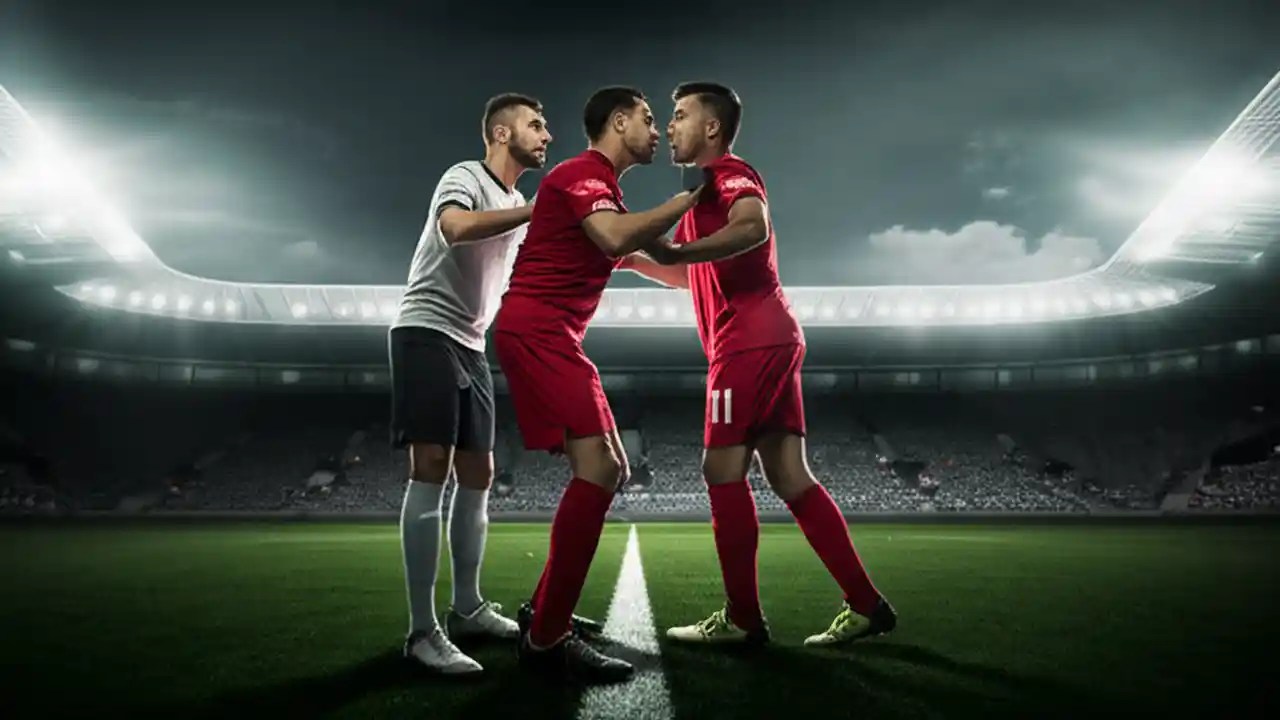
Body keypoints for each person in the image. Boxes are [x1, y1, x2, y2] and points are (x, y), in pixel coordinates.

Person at [628, 81, 897, 647]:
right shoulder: (703, 195)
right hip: (769, 336)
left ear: (712, 129)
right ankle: (867, 604)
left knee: (721, 471)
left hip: (746, 342)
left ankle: (744, 620)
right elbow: (691, 270)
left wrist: (670, 248)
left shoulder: (730, 172)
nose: (669, 126)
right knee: (789, 475)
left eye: (678, 115)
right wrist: (638, 260)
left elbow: (754, 228)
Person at [493, 85, 702, 683]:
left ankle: (544, 615)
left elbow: (653, 256)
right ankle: (546, 638)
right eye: (647, 119)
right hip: (539, 331)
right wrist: (689, 197)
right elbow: (617, 239)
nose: (659, 131)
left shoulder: (604, 193)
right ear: (617, 121)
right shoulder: (580, 174)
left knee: (609, 468)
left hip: (551, 336)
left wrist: (721, 275)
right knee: (603, 469)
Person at [389, 92, 551, 675]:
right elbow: (454, 228)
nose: (547, 135)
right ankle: (421, 631)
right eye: (536, 125)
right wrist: (533, 212)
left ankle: (466, 608)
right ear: (501, 134)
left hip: (471, 342)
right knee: (430, 466)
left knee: (479, 473)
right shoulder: (465, 176)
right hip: (426, 330)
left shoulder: (512, 200)